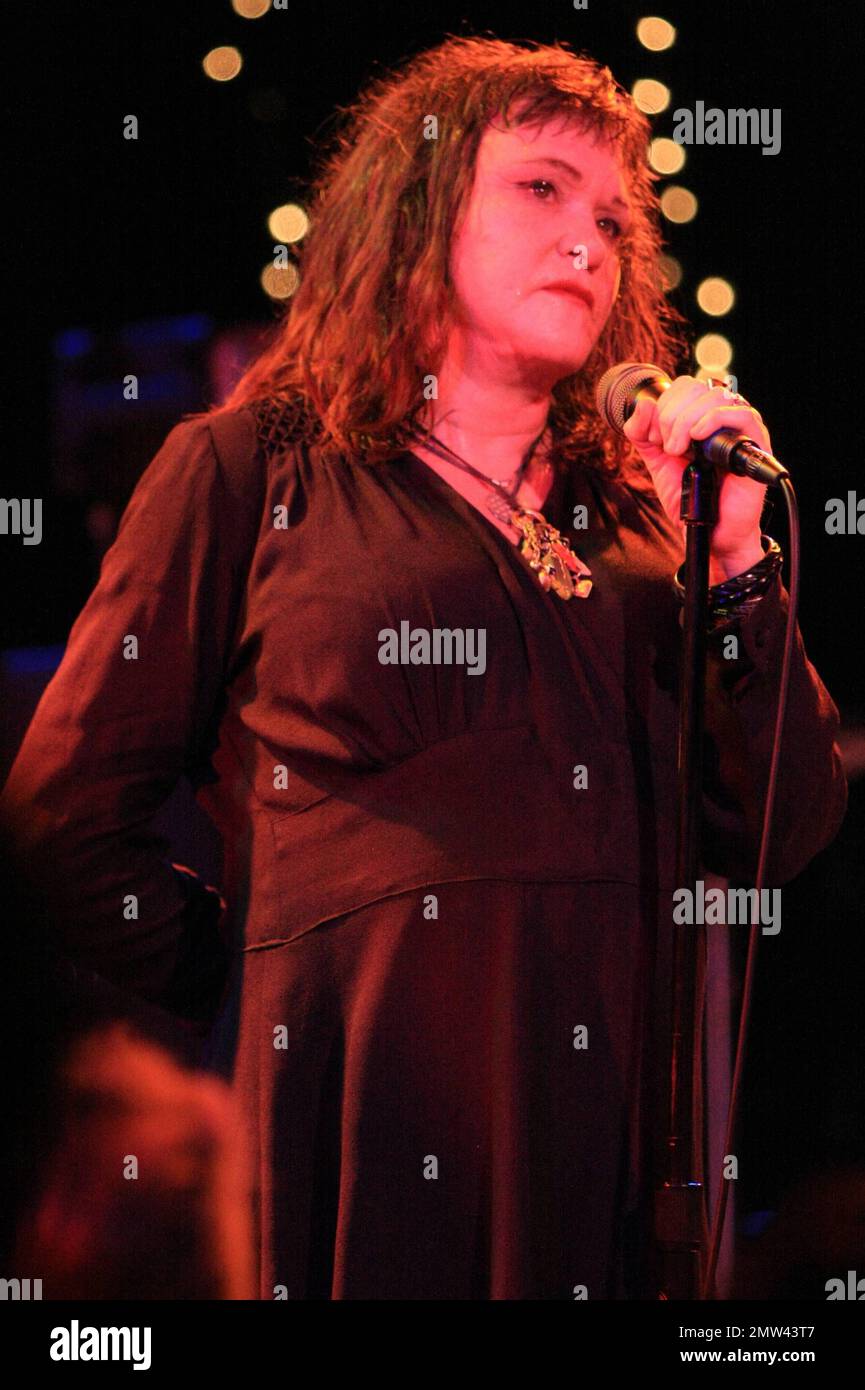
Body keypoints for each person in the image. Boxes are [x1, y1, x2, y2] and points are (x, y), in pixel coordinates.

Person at [0, 36, 847, 1300]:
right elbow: (62, 820)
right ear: (418, 209)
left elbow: (778, 826)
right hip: (358, 1123)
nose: (590, 239)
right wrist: (265, 973)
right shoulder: (254, 469)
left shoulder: (646, 517)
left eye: (614, 216)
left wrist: (730, 563)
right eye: (542, 189)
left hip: (618, 1129)